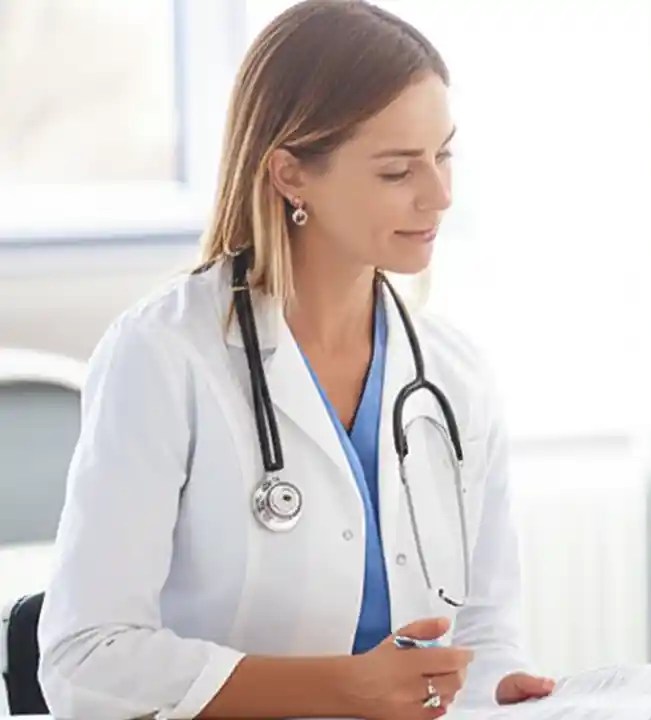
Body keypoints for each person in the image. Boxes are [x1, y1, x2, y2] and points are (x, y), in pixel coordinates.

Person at [36, 2, 555, 717]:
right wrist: (345, 690)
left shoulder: (453, 375)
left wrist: (500, 684)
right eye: (398, 170)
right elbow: (85, 659)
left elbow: (487, 633)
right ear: (290, 174)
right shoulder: (162, 356)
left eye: (444, 155)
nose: (439, 195)